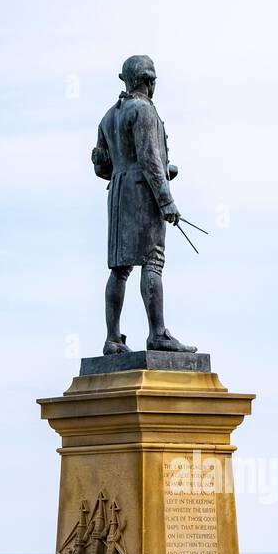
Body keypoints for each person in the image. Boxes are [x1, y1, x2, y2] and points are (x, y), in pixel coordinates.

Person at [92, 54, 196, 356]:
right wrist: (167, 200)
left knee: (119, 268)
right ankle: (158, 333)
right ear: (149, 81)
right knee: (153, 261)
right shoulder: (145, 111)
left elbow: (104, 169)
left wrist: (164, 170)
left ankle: (112, 339)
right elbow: (151, 160)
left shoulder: (109, 117)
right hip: (143, 194)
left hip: (118, 193)